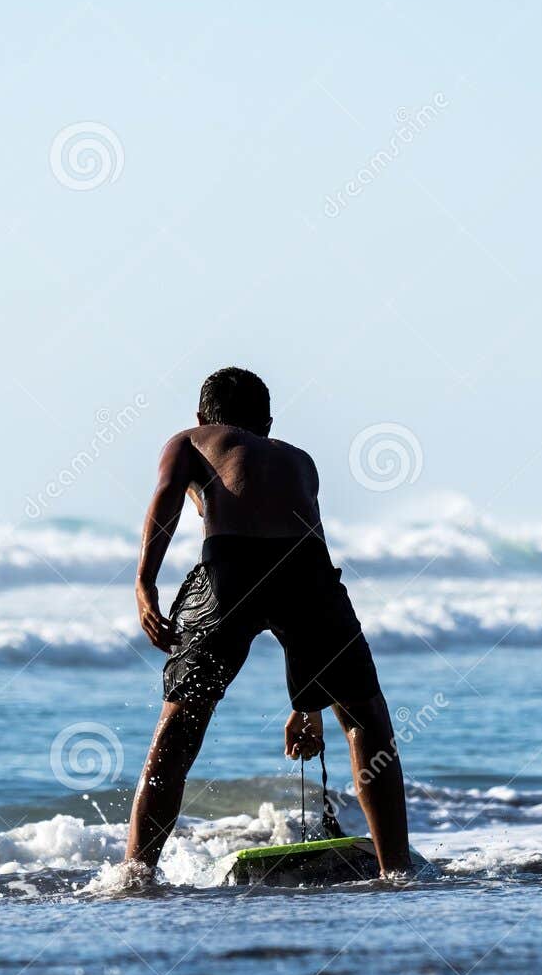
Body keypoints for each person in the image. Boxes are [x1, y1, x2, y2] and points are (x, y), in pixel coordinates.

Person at [124, 366, 412, 881]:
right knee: (365, 716)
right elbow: (299, 595)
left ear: (200, 418)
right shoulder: (299, 460)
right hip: (308, 570)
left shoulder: (188, 440)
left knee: (181, 725)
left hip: (230, 569)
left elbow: (167, 495)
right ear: (269, 423)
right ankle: (398, 869)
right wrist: (309, 704)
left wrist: (145, 582)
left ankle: (134, 875)